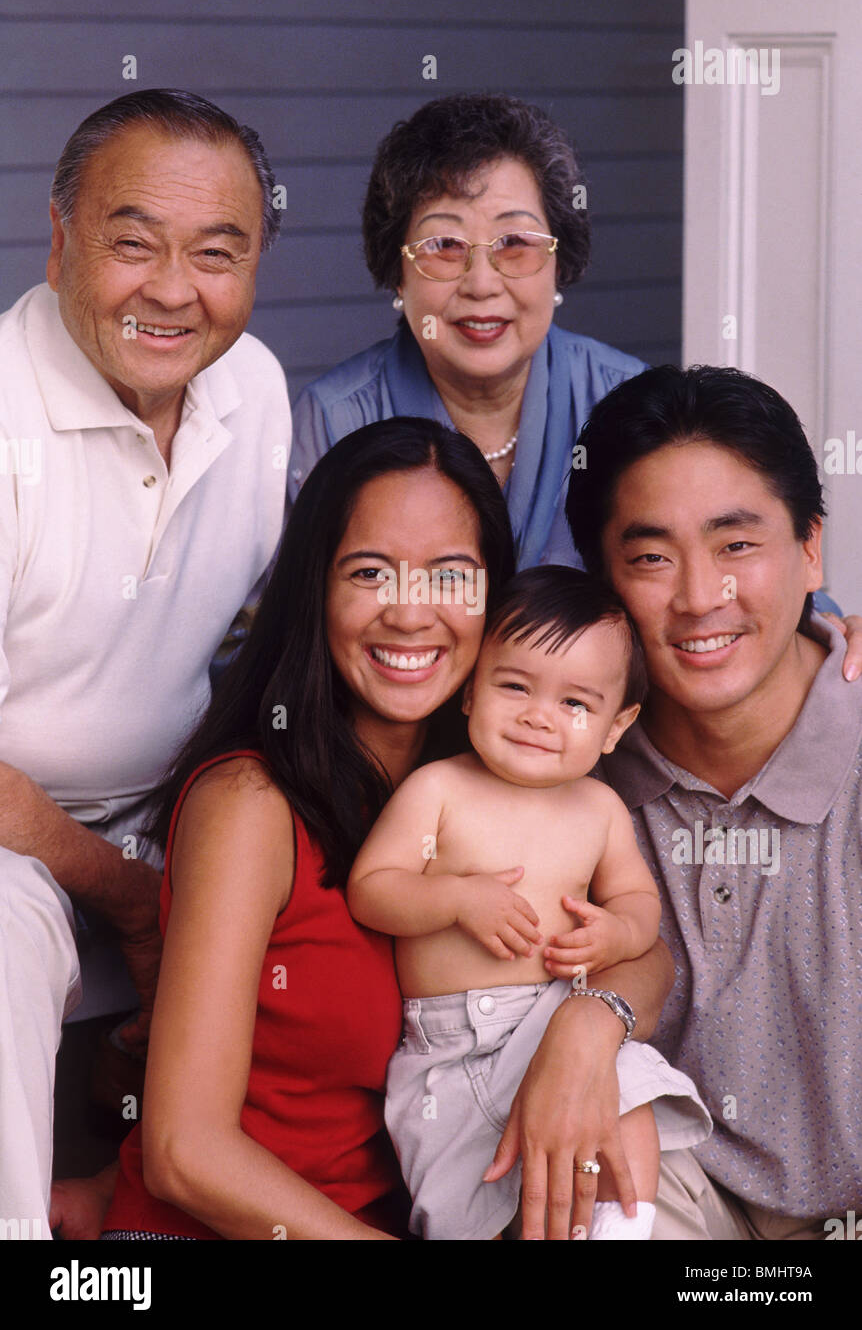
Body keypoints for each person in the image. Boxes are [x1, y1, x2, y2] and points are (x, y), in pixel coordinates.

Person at [77, 417, 674, 1241]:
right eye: (368, 572)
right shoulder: (252, 804)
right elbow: (185, 1151)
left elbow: (649, 953)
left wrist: (587, 1025)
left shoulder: (497, 774)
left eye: (450, 577)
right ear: (315, 587)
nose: (409, 613)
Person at [0, 88, 291, 1235]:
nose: (174, 290)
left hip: (165, 816)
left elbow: (296, 633)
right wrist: (133, 897)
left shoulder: (252, 389)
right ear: (62, 236)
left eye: (218, 254)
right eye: (134, 243)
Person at [565, 364, 862, 1238]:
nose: (701, 600)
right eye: (651, 558)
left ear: (811, 549)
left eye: (737, 545)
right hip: (681, 1199)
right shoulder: (567, 765)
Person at [348, 566, 712, 1241]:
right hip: (456, 1049)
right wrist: (454, 899)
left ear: (615, 725)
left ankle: (616, 1232)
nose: (539, 715)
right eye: (514, 685)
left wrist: (615, 936)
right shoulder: (440, 790)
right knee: (487, 1199)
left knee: (624, 1092)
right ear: (469, 690)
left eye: (576, 703)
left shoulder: (599, 809)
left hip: (559, 1017)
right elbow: (372, 889)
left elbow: (638, 903)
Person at [287, 92, 646, 569]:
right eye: (445, 246)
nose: (481, 283)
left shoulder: (626, 400)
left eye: (516, 243)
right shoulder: (334, 420)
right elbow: (305, 622)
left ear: (558, 264)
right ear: (397, 271)